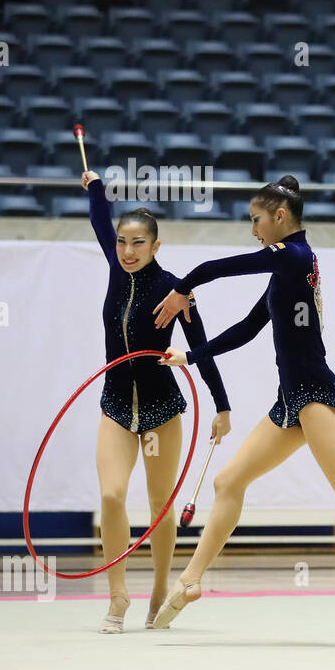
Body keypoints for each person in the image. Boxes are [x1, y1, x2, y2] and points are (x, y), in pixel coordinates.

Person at [149, 177, 335, 647]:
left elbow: (224, 266)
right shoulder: (286, 271)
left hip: (315, 394)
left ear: (280, 216)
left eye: (256, 220)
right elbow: (248, 328)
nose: (253, 230)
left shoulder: (295, 256)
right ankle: (192, 581)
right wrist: (190, 358)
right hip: (291, 400)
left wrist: (183, 287)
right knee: (228, 482)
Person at [80, 170, 232, 633]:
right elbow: (99, 223)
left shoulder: (174, 289)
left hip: (162, 408)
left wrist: (221, 406)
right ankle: (117, 596)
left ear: (156, 246)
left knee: (159, 503)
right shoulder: (113, 265)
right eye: (123, 242)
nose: (127, 251)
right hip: (116, 406)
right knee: (111, 494)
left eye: (138, 243)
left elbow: (202, 346)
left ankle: (160, 588)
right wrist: (94, 188)